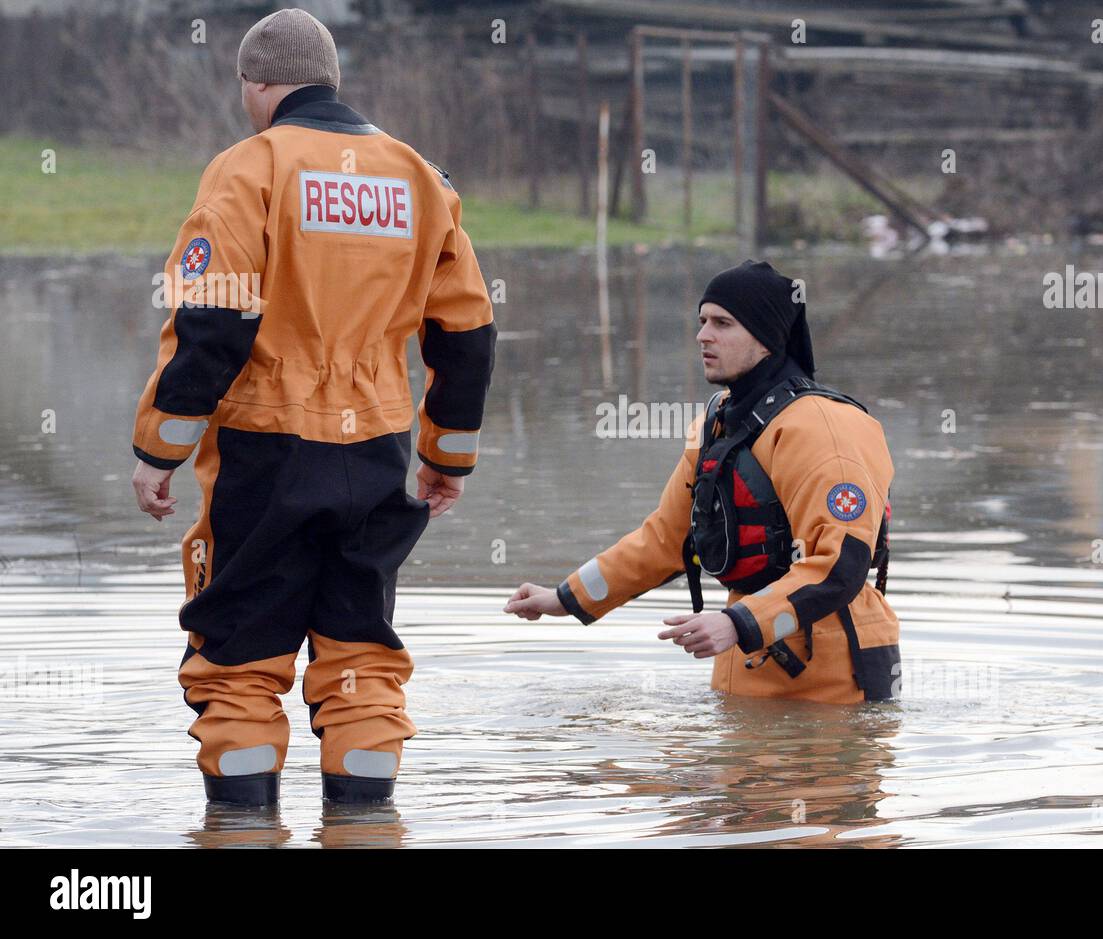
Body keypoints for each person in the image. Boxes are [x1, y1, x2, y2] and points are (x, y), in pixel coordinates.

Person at [129, 8, 496, 806]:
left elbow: (214, 319)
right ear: (329, 78)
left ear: (256, 83)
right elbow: (465, 330)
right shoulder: (420, 179)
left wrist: (159, 450)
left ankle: (241, 825)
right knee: (359, 654)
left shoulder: (250, 168)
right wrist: (445, 460)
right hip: (377, 455)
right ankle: (366, 824)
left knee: (238, 658)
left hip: (265, 455)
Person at [506, 260, 898, 704]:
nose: (703, 336)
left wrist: (738, 624)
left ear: (767, 337)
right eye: (702, 321)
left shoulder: (826, 428)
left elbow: (839, 567)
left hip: (835, 681)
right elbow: (664, 540)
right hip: (749, 663)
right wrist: (565, 598)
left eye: (723, 323)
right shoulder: (718, 424)